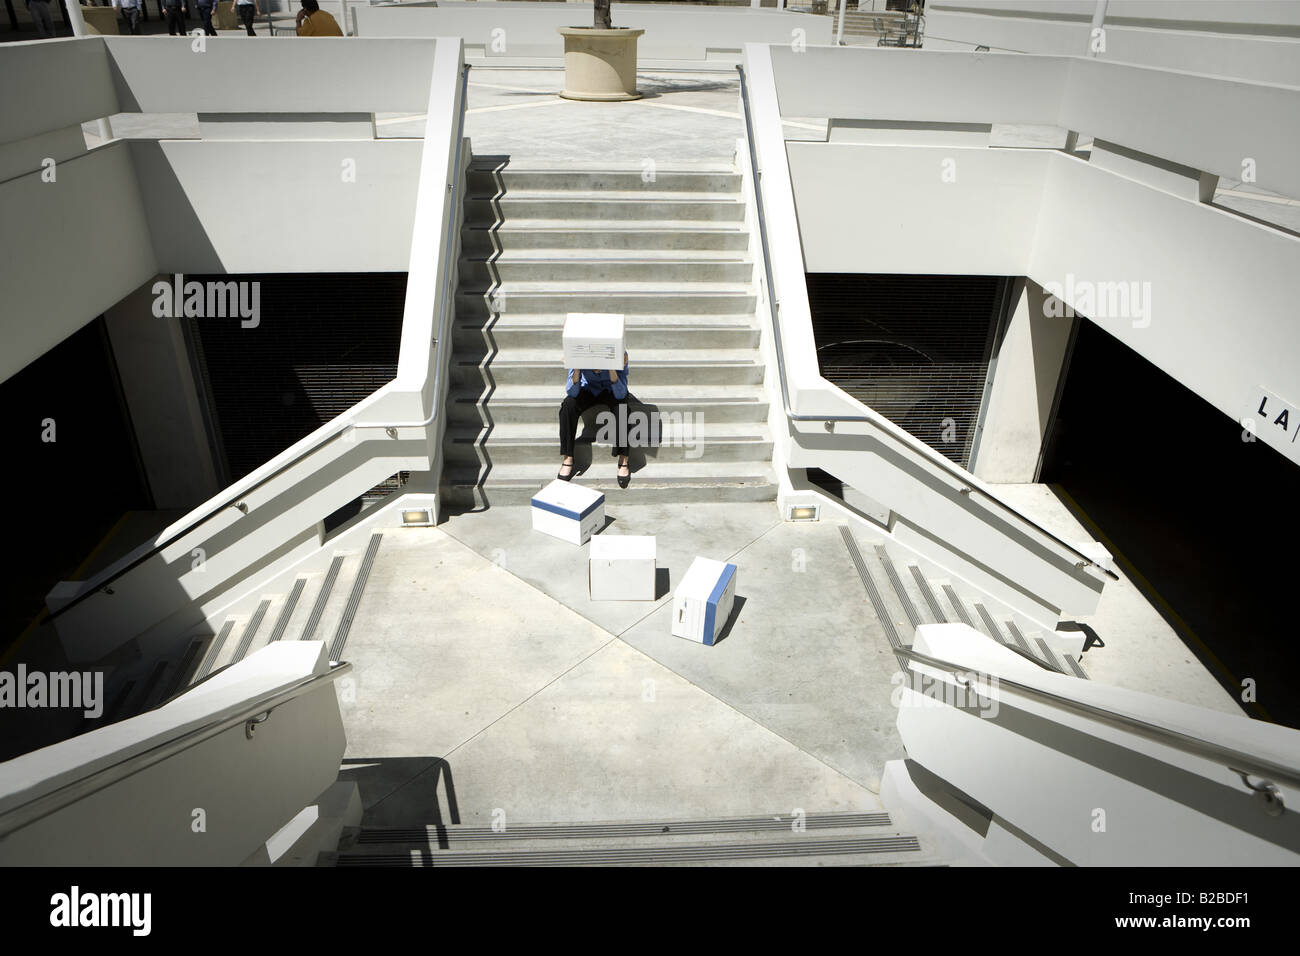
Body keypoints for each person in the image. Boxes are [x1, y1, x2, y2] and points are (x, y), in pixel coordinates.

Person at [558, 352, 632, 488]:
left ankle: (623, 459)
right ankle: (568, 458)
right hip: (587, 390)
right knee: (568, 405)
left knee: (623, 408)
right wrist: (576, 368)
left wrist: (611, 367)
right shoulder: (578, 352)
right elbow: (572, 392)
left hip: (610, 389)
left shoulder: (620, 354)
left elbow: (621, 394)